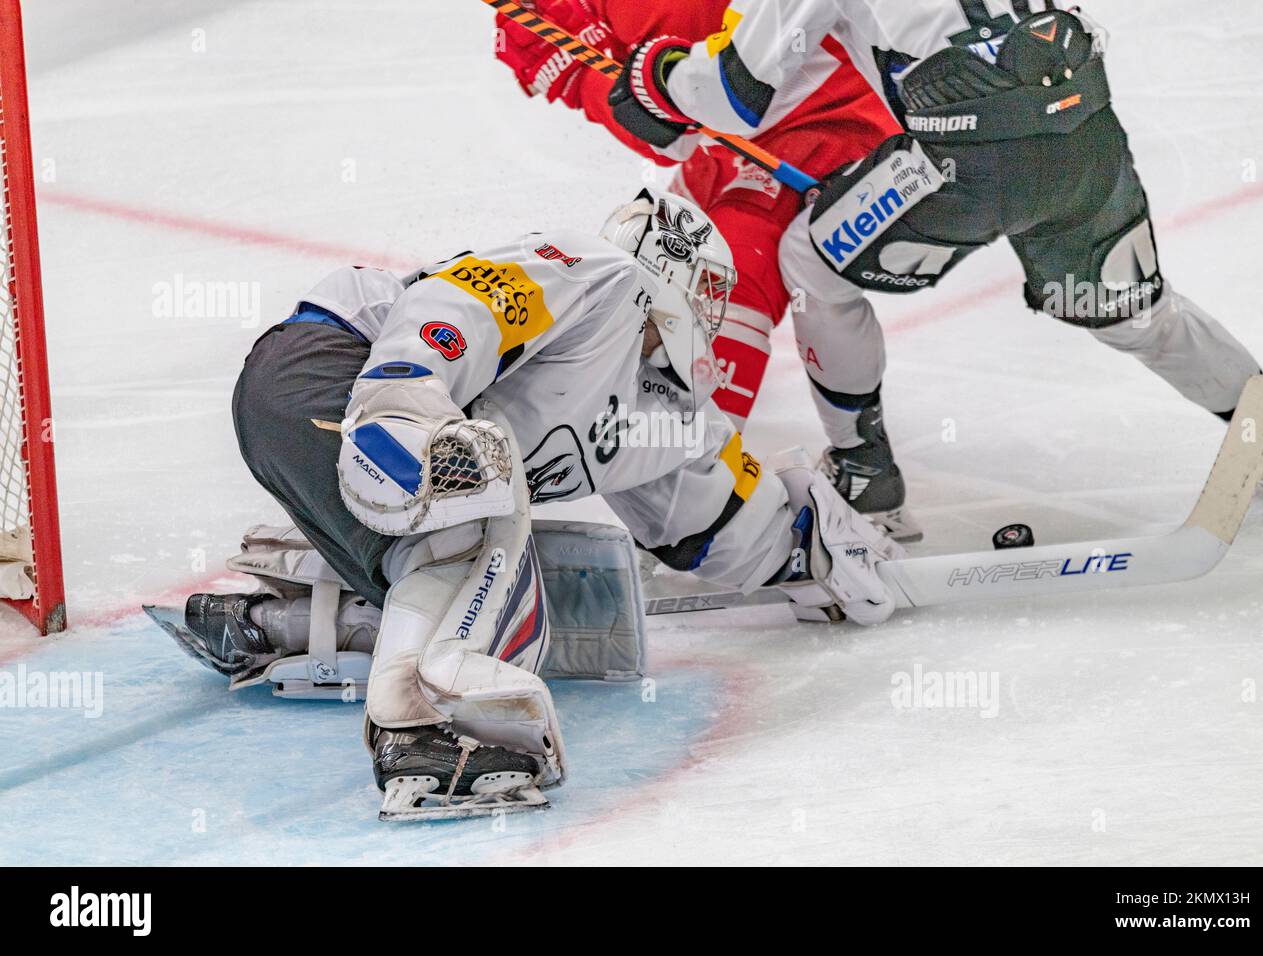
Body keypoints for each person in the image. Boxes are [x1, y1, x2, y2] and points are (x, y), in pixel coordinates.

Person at [167, 188, 902, 819]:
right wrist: (402, 398)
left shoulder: (663, 412)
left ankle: (298, 620)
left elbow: (708, 520)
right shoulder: (604, 277)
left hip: (314, 417)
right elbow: (464, 302)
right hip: (336, 366)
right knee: (475, 487)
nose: (710, 314)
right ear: (674, 269)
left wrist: (817, 547)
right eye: (708, 291)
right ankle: (423, 728)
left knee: (493, 552)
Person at [603, 1, 1263, 499]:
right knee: (1134, 314)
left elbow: (733, 94)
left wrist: (655, 78)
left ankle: (862, 467)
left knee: (810, 261)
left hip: (964, 170)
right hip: (1088, 143)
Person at [492, 1, 924, 536]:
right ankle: (676, 475)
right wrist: (611, 85)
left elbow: (709, 91)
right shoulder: (540, 14)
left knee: (726, 276)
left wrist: (641, 90)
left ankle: (845, 470)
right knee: (654, 274)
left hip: (833, 121)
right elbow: (669, 132)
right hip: (728, 143)